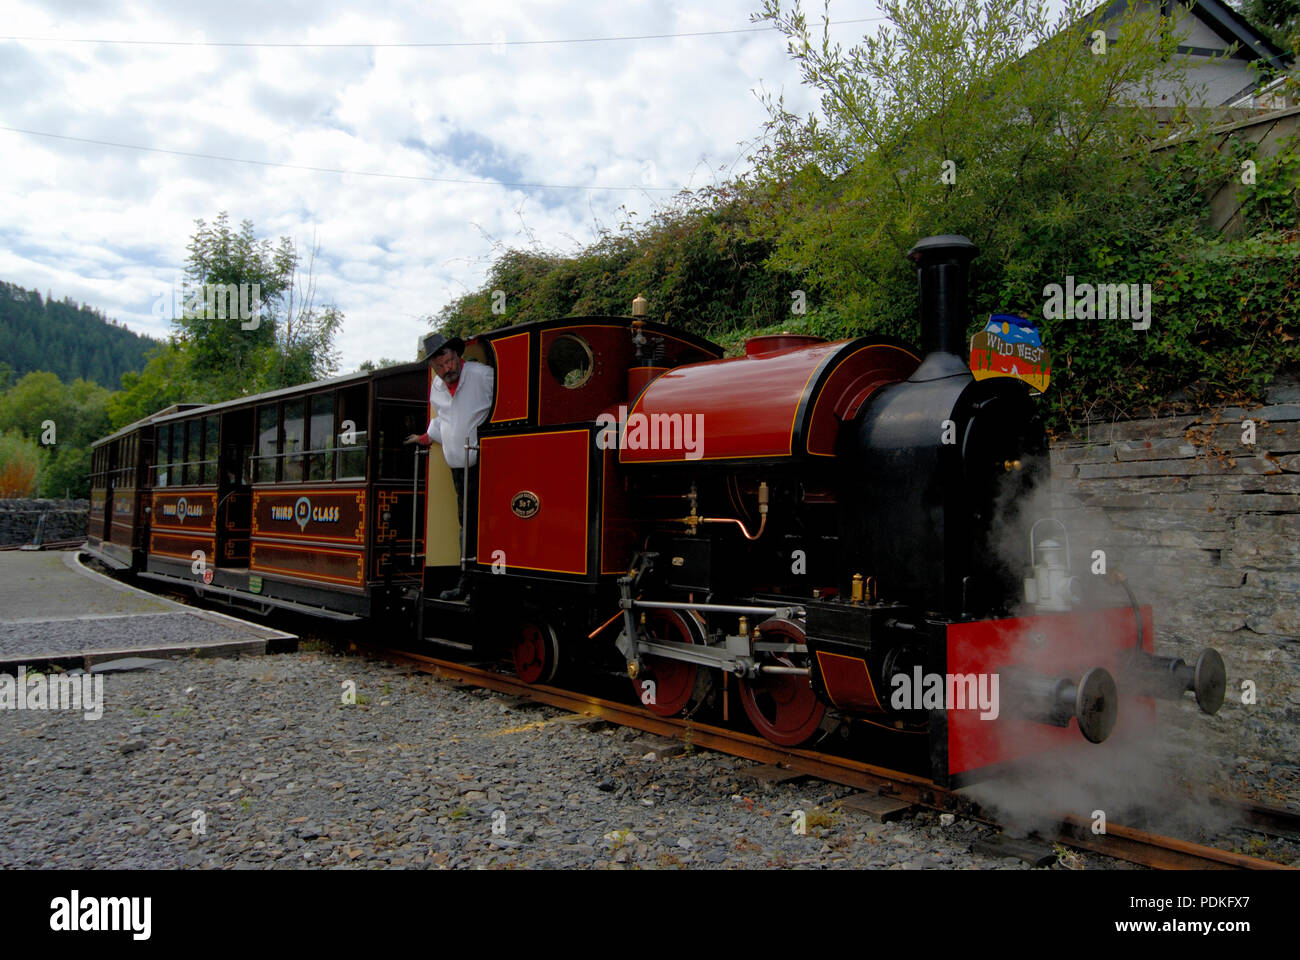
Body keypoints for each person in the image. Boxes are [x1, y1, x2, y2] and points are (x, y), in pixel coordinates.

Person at [404, 331, 494, 599]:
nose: (446, 369)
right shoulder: (437, 386)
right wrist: (424, 437)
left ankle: (480, 583)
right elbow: (443, 420)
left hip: (486, 464)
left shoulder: (482, 375)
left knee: (484, 524)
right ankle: (468, 582)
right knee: (466, 523)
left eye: (449, 362)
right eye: (439, 366)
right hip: (458, 467)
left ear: (457, 356)